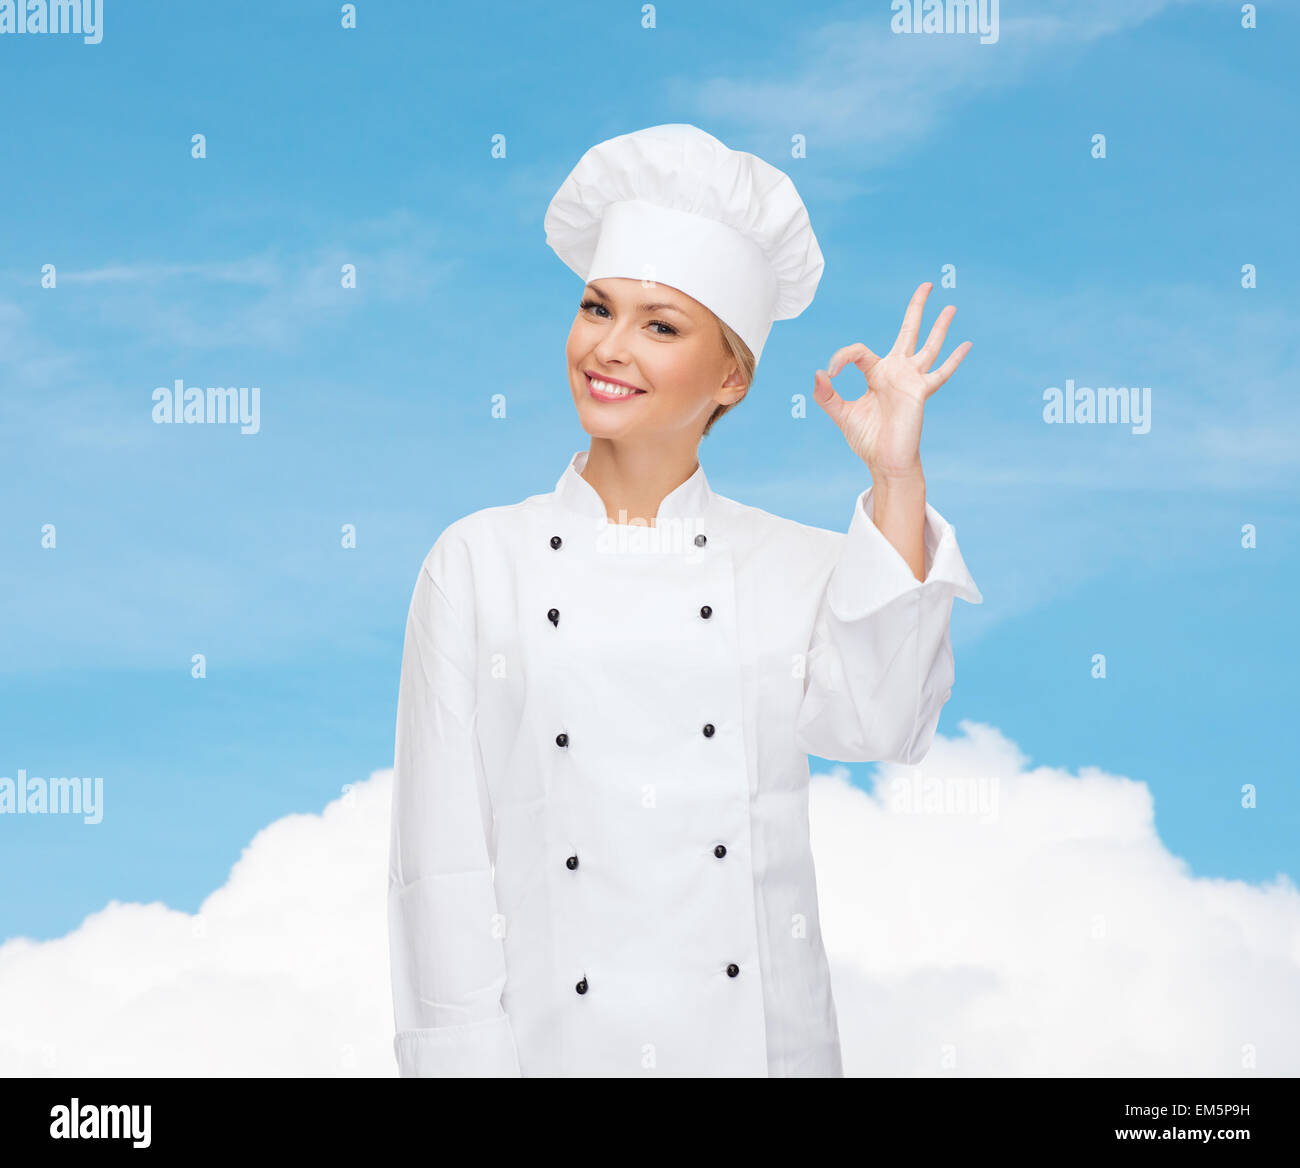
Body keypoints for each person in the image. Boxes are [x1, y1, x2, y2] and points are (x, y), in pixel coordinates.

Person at [387, 123, 982, 1077]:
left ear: (733, 377)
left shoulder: (794, 565)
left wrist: (896, 478)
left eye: (660, 325)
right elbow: (441, 870)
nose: (608, 348)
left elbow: (881, 724)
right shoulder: (475, 563)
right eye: (596, 309)